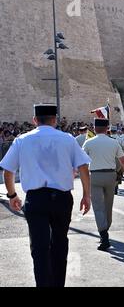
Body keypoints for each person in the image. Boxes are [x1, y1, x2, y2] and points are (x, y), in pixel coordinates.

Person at [0, 104, 91, 287]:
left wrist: (12, 195)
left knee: (39, 247)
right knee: (60, 244)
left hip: (36, 199)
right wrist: (86, 195)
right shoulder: (67, 139)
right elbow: (83, 167)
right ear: (55, 120)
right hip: (62, 198)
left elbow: (8, 171)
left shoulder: (22, 140)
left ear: (35, 120)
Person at [83, 119, 124, 251]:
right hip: (110, 176)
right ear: (107, 128)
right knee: (108, 205)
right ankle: (106, 228)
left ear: (95, 128)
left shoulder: (88, 142)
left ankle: (103, 233)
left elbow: (82, 162)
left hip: (94, 176)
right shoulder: (114, 142)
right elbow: (123, 161)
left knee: (98, 206)